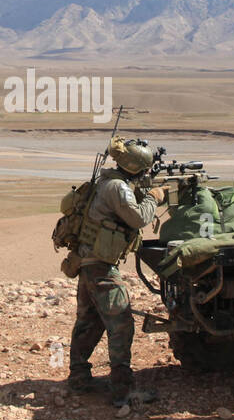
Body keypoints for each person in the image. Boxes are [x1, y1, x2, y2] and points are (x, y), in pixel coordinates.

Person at [68, 137, 166, 406]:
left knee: (90, 320)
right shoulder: (117, 187)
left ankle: (79, 378)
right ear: (136, 168)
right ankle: (123, 390)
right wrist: (152, 198)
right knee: (121, 322)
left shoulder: (106, 182)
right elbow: (137, 218)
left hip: (88, 261)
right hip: (100, 265)